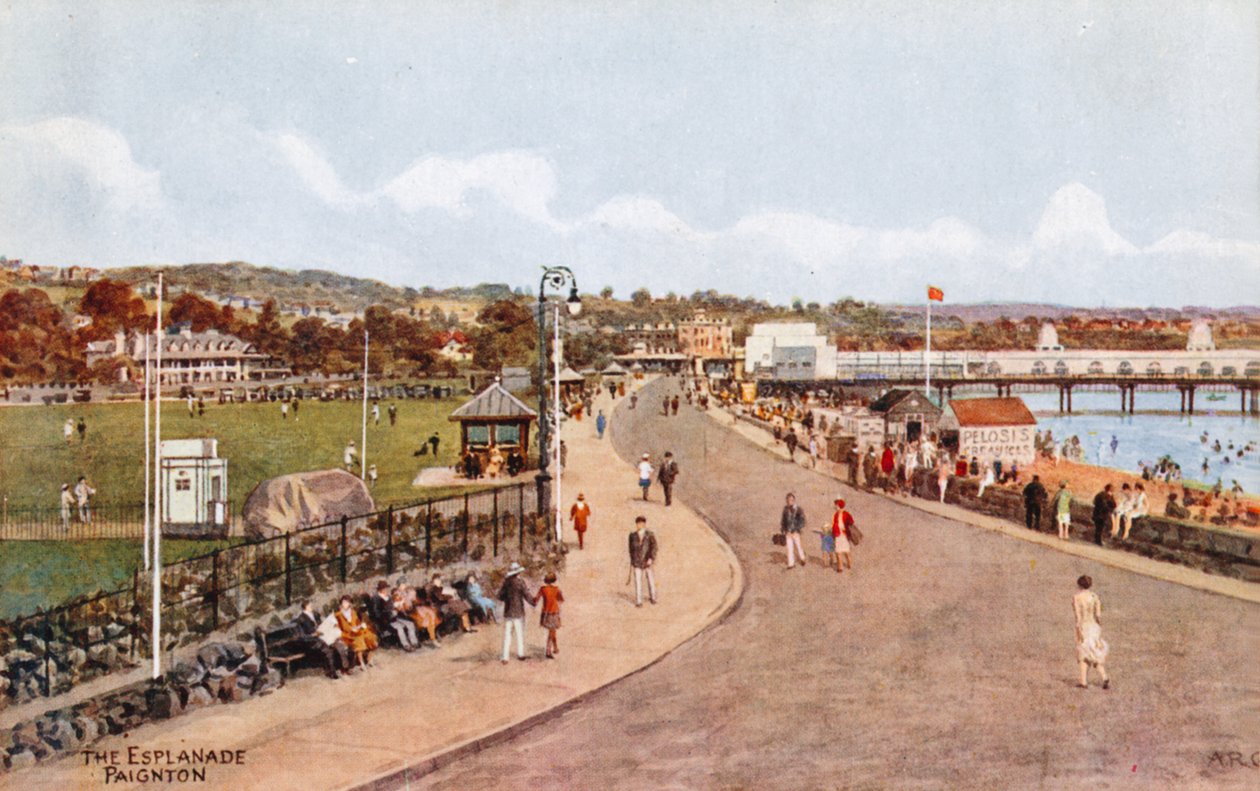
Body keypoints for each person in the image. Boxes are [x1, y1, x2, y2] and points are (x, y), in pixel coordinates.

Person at [1072, 576, 1110, 690]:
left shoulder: (1077, 597)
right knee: (1095, 653)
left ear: (1079, 584)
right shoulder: (1094, 596)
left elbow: (1078, 616)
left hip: (1084, 627)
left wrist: (1078, 630)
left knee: (1083, 654)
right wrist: (1099, 628)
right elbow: (1098, 615)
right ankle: (1104, 676)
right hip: (1094, 627)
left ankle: (1083, 681)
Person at [294, 601, 349, 678]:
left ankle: (345, 668)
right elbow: (302, 636)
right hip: (313, 640)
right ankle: (332, 673)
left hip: (323, 635)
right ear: (305, 607)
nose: (311, 607)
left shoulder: (315, 614)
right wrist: (312, 635)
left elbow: (321, 625)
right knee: (328, 651)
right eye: (310, 606)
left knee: (339, 645)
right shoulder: (301, 619)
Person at [498, 561, 534, 663]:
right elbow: (527, 595)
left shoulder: (506, 583)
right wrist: (533, 602)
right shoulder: (520, 582)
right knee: (519, 633)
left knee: (507, 634)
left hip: (508, 611)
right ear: (518, 573)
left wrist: (507, 599)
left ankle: (505, 657)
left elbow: (500, 596)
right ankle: (520, 654)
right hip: (518, 611)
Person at [368, 580, 419, 650]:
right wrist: (388, 613)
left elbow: (392, 606)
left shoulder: (388, 597)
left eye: (386, 588)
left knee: (410, 624)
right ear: (380, 589)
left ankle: (414, 642)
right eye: (384, 589)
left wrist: (397, 608)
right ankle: (406, 645)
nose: (386, 590)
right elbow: (376, 613)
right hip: (385, 620)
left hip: (395, 616)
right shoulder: (376, 598)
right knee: (399, 627)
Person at [335, 595, 378, 669]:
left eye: (347, 602)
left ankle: (369, 658)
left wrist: (361, 625)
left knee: (371, 637)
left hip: (357, 631)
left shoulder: (353, 612)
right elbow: (339, 628)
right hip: (347, 634)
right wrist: (351, 629)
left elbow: (357, 623)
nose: (345, 604)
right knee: (359, 639)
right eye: (343, 602)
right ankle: (361, 662)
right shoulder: (338, 615)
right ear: (341, 604)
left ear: (350, 604)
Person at [533, 571, 564, 659]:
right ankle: (548, 650)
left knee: (552, 631)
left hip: (546, 613)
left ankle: (555, 648)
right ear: (554, 580)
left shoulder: (542, 589)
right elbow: (561, 600)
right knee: (552, 631)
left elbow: (536, 600)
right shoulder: (556, 589)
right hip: (554, 612)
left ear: (546, 580)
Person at [629, 516, 658, 606]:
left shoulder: (650, 535)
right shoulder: (632, 535)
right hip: (637, 561)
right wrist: (633, 560)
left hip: (647, 561)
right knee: (638, 581)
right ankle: (639, 601)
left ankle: (653, 597)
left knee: (650, 579)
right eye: (638, 523)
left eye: (641, 523)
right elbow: (631, 549)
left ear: (644, 524)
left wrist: (651, 558)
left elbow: (654, 547)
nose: (639, 525)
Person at [780, 493, 807, 569]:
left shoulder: (798, 509)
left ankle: (802, 558)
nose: (790, 502)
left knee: (798, 546)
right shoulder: (785, 509)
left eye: (791, 500)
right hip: (788, 532)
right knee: (789, 548)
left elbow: (802, 521)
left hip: (795, 532)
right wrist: (784, 530)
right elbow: (783, 520)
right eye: (788, 500)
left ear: (794, 500)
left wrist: (797, 529)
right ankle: (791, 563)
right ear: (786, 501)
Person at [830, 497, 855, 573]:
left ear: (840, 506)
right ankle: (840, 567)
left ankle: (850, 563)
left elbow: (851, 522)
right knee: (838, 552)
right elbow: (834, 524)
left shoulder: (846, 514)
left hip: (844, 535)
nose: (835, 507)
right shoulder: (835, 515)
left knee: (846, 552)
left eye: (836, 506)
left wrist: (847, 527)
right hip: (838, 535)